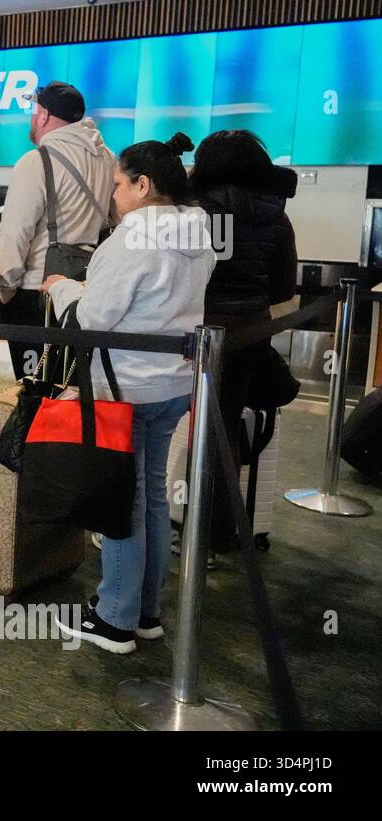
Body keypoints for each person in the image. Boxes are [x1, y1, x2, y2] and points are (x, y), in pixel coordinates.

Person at [44, 132, 214, 654]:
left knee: (123, 500)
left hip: (125, 389)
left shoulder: (130, 239)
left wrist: (62, 288)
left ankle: (114, 619)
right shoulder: (202, 234)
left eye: (119, 185)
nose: (114, 196)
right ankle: (145, 612)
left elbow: (96, 317)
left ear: (143, 184)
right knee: (154, 495)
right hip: (173, 384)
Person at [189, 130, 298, 553]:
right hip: (251, 332)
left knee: (192, 430)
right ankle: (218, 531)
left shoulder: (195, 212)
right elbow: (285, 286)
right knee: (226, 427)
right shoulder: (277, 214)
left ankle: (202, 532)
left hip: (197, 334)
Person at [0, 81, 116, 380]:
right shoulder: (108, 159)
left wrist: (5, 290)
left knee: (34, 389)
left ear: (44, 114)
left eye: (33, 112)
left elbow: (15, 233)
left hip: (36, 293)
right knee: (69, 387)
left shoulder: (36, 161)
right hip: (84, 291)